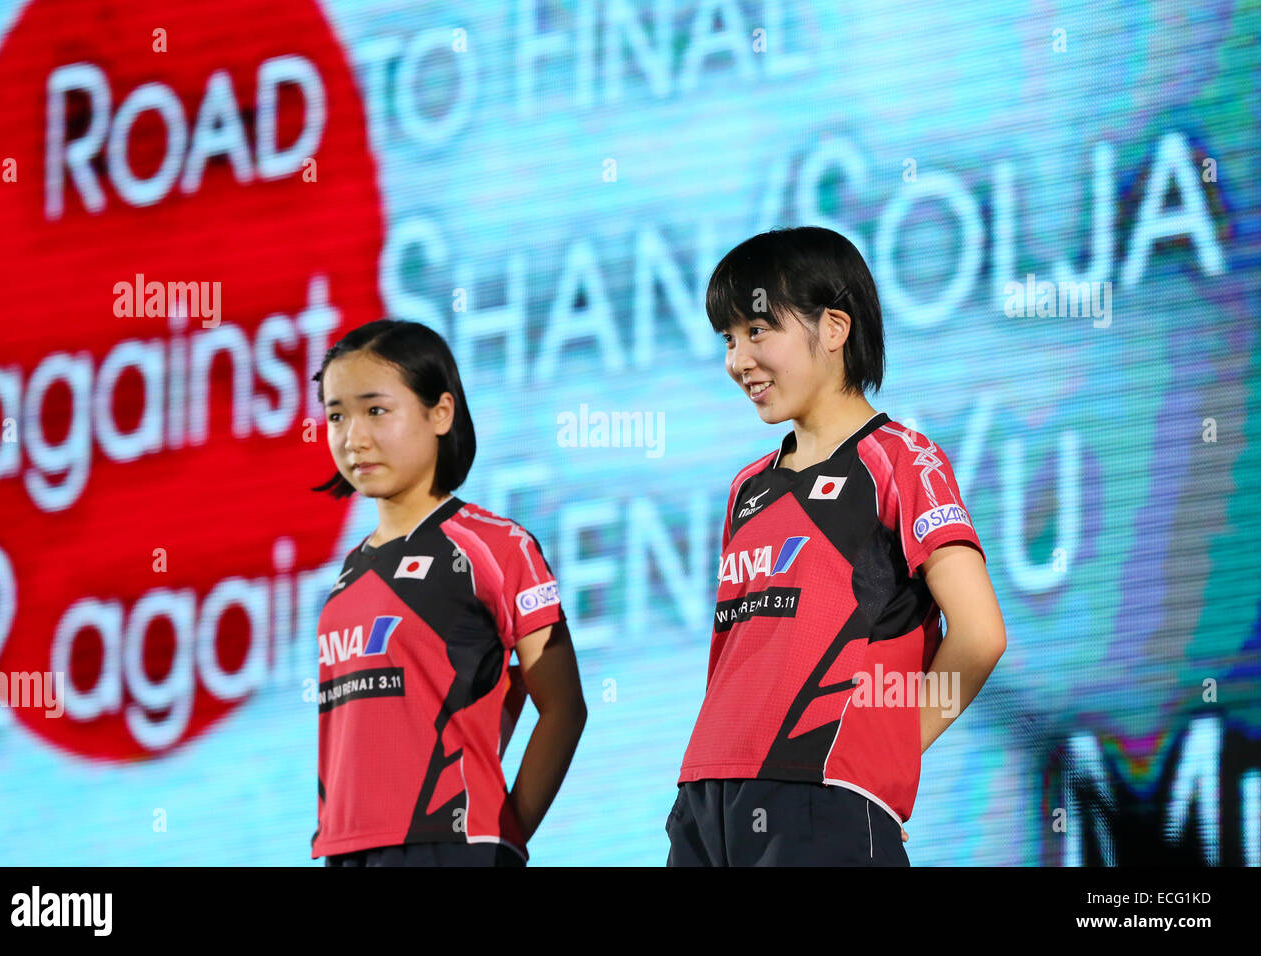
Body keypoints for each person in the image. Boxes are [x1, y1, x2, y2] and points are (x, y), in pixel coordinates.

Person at [667, 226, 1007, 866]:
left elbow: (981, 633)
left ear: (833, 327)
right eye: (729, 339)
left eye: (758, 331)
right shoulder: (748, 487)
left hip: (822, 794)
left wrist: (889, 750)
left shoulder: (900, 460)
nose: (738, 360)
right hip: (704, 796)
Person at [309, 319, 586, 866]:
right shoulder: (346, 574)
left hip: (454, 847)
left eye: (375, 410)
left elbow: (565, 707)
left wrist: (507, 835)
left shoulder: (496, 546)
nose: (352, 436)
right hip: (347, 851)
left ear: (441, 412)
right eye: (336, 414)